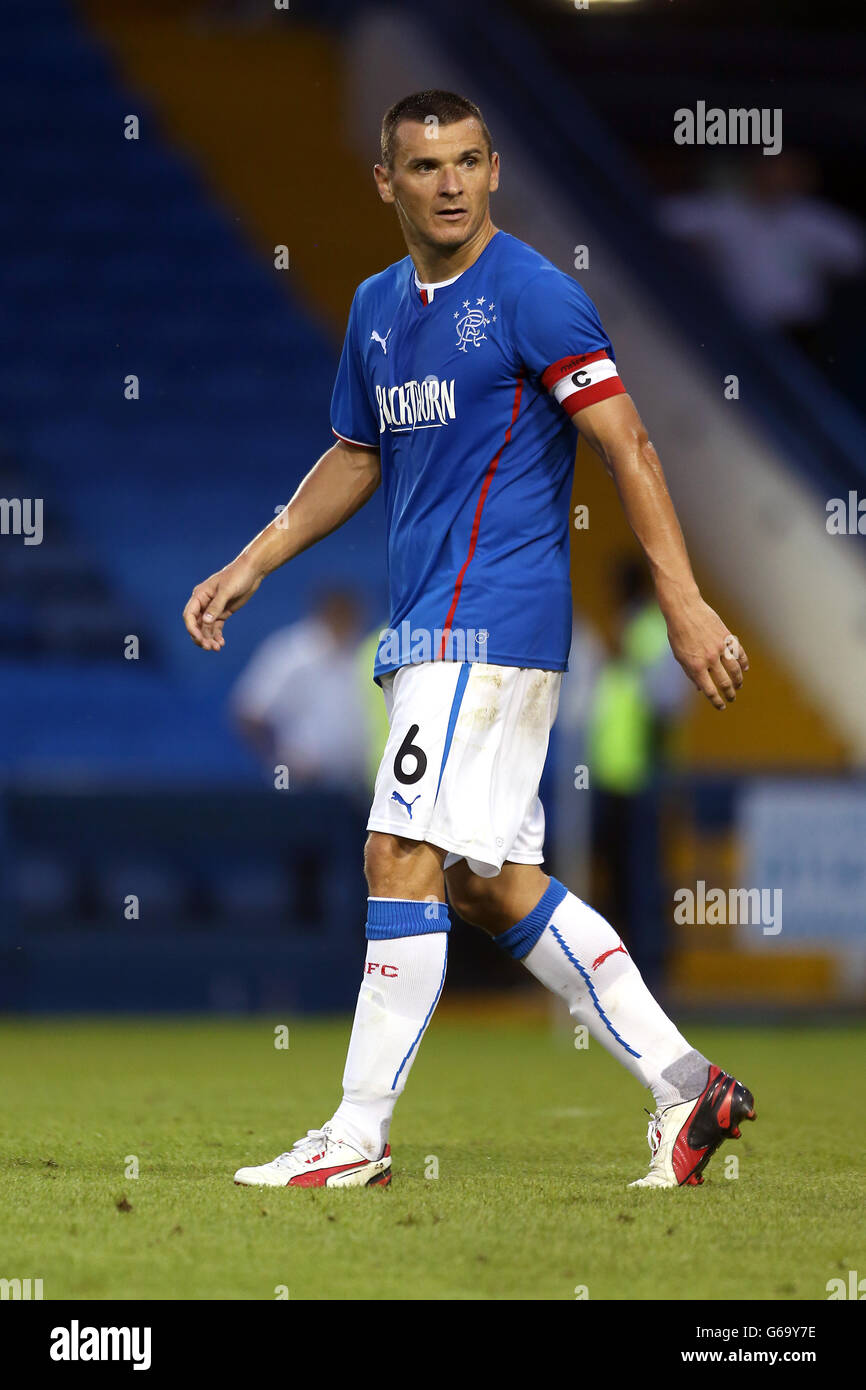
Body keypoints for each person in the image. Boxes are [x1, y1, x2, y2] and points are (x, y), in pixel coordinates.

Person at [183, 90, 755, 1191]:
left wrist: (680, 604)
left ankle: (354, 1136)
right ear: (384, 181)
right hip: (430, 630)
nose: (448, 182)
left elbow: (626, 442)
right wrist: (252, 561)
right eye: (424, 164)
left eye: (466, 161)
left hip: (484, 624)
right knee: (492, 884)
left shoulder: (534, 296)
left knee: (396, 854)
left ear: (493, 170)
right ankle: (688, 1087)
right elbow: (355, 453)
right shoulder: (374, 309)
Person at [230, 586, 368, 797]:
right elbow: (248, 712)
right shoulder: (292, 653)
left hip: (349, 785)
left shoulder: (358, 654)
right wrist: (280, 759)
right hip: (296, 784)